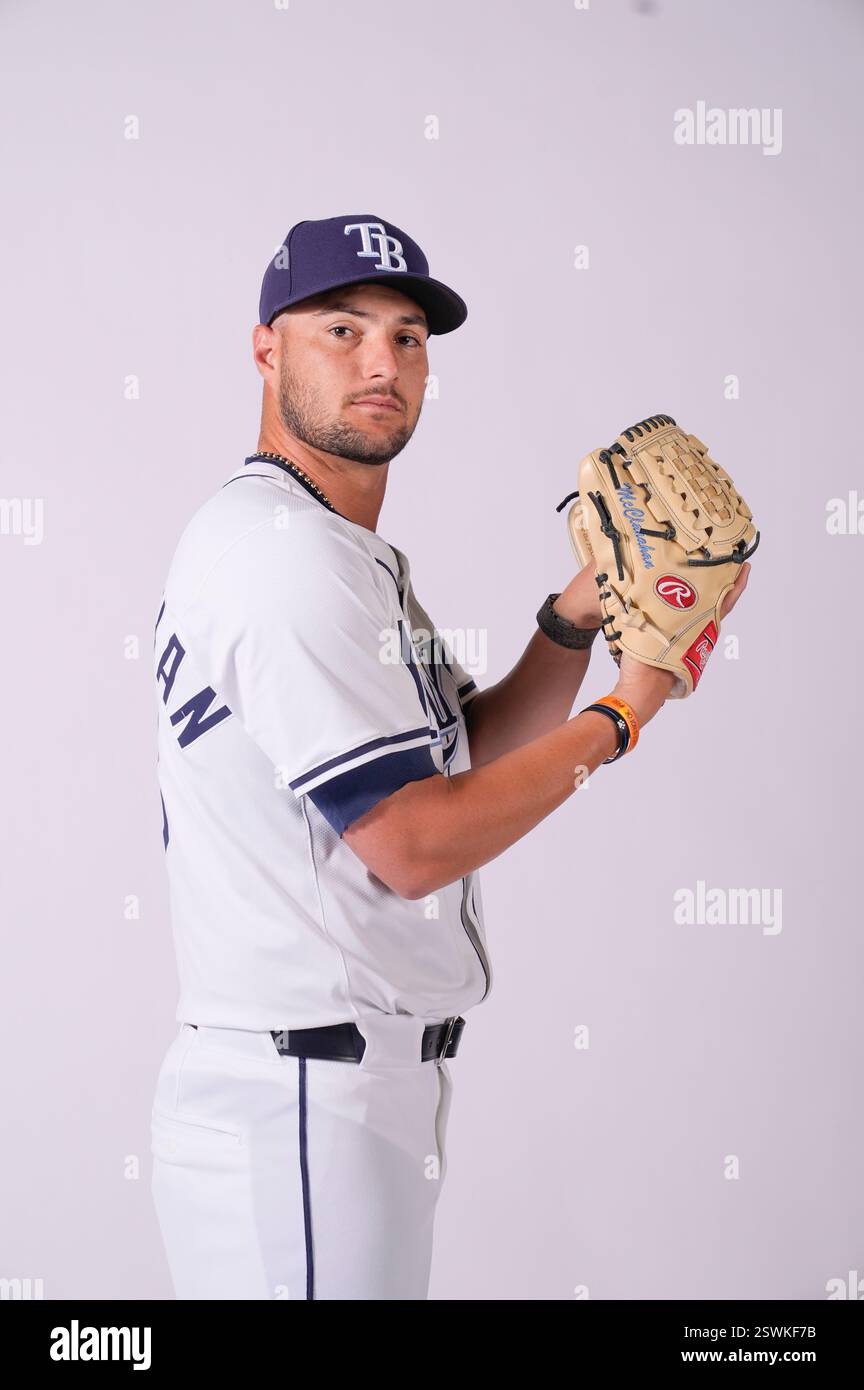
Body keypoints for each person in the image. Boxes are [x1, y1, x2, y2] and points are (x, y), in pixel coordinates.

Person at [149, 213, 750, 1301]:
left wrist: (574, 620)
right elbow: (415, 844)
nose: (382, 362)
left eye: (408, 337)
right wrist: (626, 706)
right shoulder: (282, 561)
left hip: (342, 1095)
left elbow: (454, 766)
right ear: (265, 349)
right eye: (342, 329)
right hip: (296, 1100)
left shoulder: (328, 548)